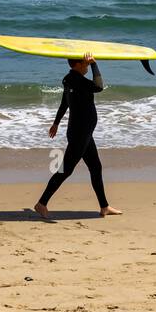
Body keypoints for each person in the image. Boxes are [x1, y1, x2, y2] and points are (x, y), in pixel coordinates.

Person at [35, 53, 122, 218]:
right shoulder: (77, 80)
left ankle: (104, 206)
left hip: (84, 133)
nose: (87, 67)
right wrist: (96, 64)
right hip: (80, 133)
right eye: (85, 64)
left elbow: (64, 102)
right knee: (65, 170)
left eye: (89, 65)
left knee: (96, 167)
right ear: (77, 65)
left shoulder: (69, 79)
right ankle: (41, 203)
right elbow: (99, 86)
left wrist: (56, 123)